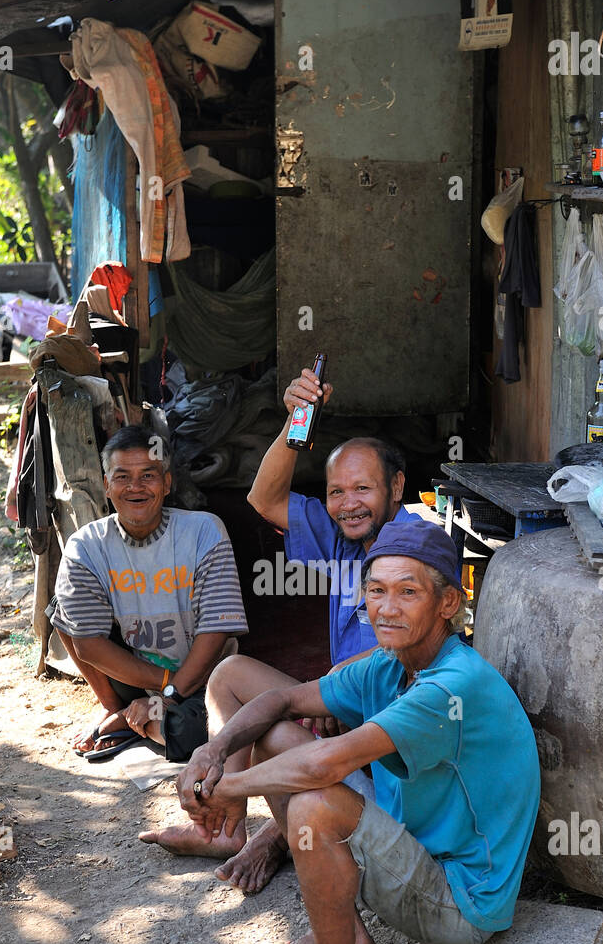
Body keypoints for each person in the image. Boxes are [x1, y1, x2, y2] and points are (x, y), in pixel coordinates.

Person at [171, 520, 541, 944]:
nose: (386, 608)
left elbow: (323, 763)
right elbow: (284, 701)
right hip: (408, 852)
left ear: (447, 604)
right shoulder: (389, 664)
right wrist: (214, 750)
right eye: (376, 591)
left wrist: (231, 786)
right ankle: (349, 939)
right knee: (274, 733)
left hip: (460, 903)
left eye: (408, 592)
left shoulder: (451, 685)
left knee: (316, 803)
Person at [137, 366, 422, 889]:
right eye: (337, 491)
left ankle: (293, 837)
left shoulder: (413, 545)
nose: (348, 503)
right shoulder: (342, 536)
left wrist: (338, 688)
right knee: (229, 676)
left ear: (397, 486)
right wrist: (297, 422)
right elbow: (264, 500)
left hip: (390, 766)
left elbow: (416, 652)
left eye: (363, 488)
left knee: (269, 734)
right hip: (347, 712)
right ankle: (230, 829)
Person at [51, 426, 248, 761]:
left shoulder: (203, 531)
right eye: (122, 476)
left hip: (202, 680)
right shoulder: (85, 546)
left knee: (193, 732)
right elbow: (87, 643)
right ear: (106, 486)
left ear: (167, 483)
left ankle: (140, 720)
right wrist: (161, 686)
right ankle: (118, 711)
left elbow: (216, 631)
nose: (135, 487)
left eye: (148, 475)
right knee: (63, 608)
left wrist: (169, 696)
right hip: (133, 674)